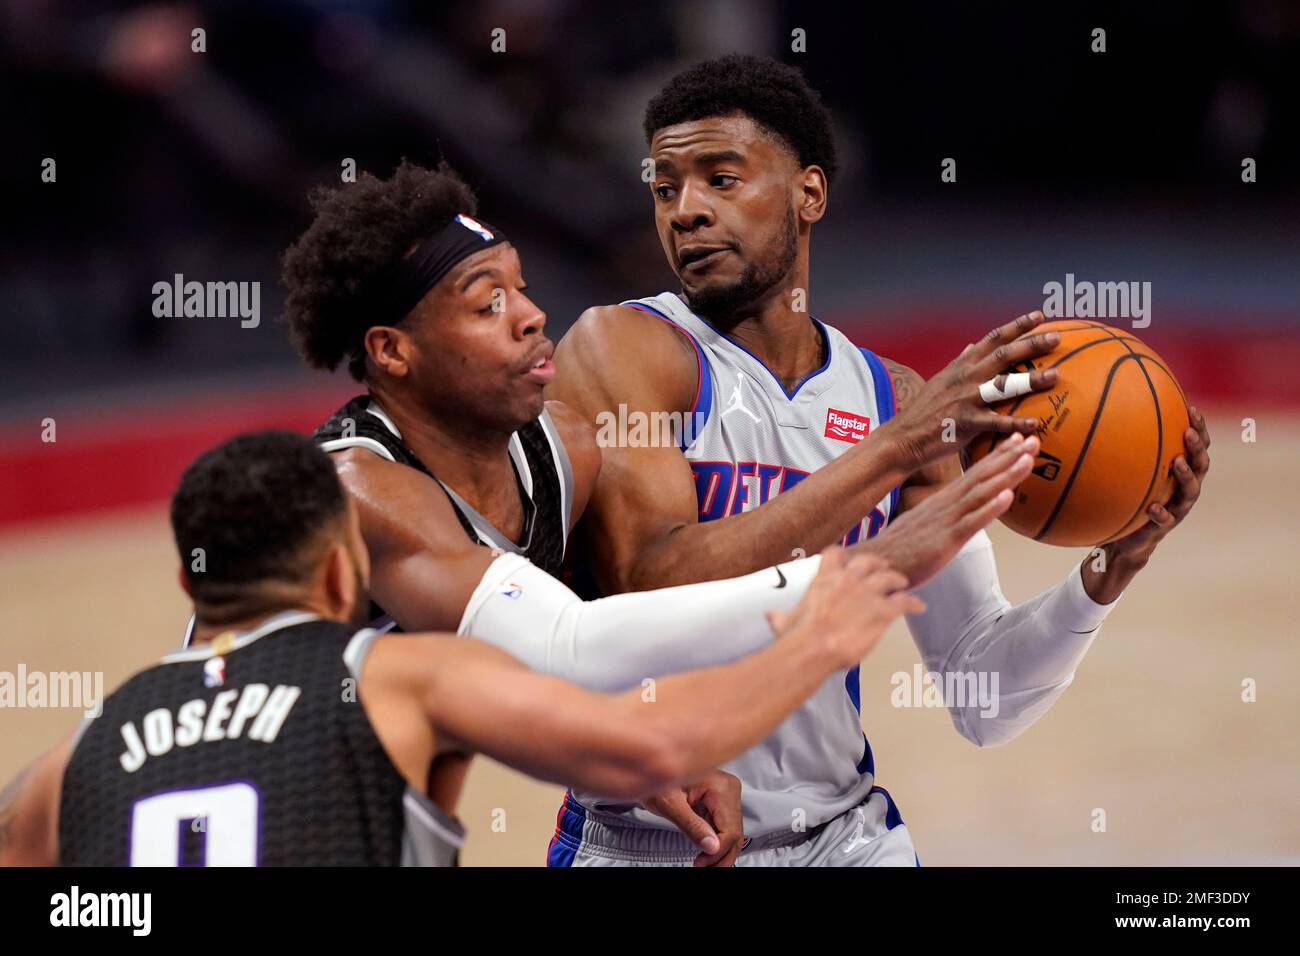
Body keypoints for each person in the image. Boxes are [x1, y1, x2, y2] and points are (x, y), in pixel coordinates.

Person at [273, 159, 1044, 863]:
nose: (533, 317)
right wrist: (861, 567)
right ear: (392, 351)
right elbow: (564, 647)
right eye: (488, 304)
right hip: (257, 791)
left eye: (523, 287)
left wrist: (637, 761)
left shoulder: (560, 450)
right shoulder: (362, 486)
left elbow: (542, 659)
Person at [544, 54, 1212, 866]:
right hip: (651, 841)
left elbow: (986, 696)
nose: (686, 211)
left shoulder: (890, 395)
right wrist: (894, 450)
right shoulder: (625, 347)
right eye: (665, 188)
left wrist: (1109, 570)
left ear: (809, 194)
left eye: (722, 179)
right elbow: (655, 585)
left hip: (845, 838)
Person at [0, 430, 927, 867]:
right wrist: (815, 641)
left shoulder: (69, 765)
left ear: (188, 589)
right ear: (340, 578)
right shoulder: (400, 679)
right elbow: (653, 745)